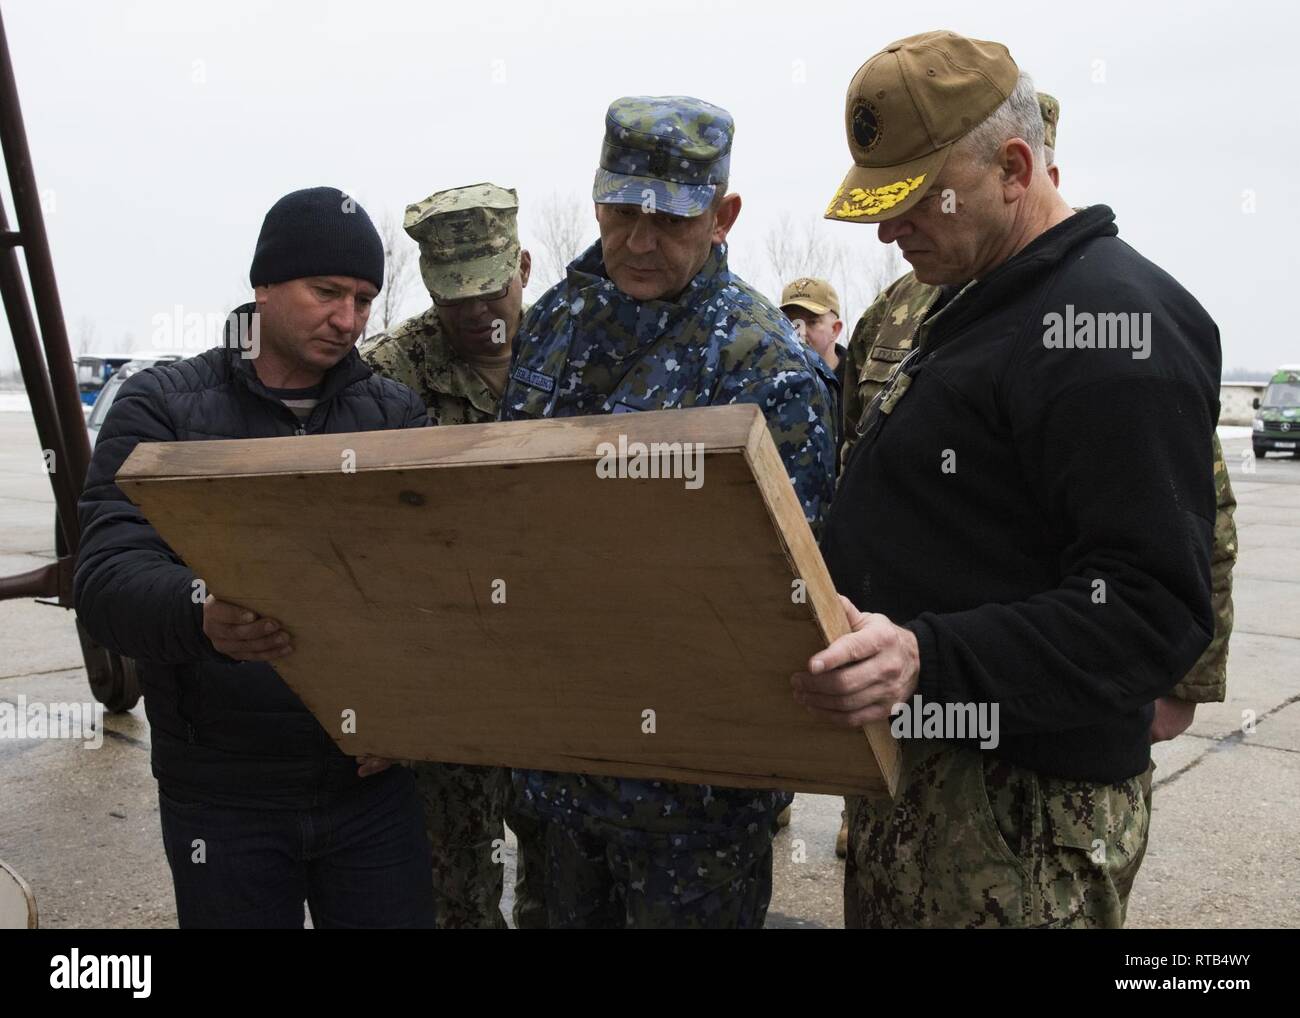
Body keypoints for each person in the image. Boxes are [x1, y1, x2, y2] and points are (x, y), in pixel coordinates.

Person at [799, 31, 1221, 928]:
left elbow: (1151, 608)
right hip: (925, 789)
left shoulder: (1111, 326)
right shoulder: (978, 301)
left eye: (916, 198)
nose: (886, 228)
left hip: (1018, 829)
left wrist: (927, 659)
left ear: (1015, 167)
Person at [501, 95, 837, 928]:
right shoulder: (554, 326)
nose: (640, 241)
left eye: (670, 219)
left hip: (694, 800)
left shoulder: (764, 364)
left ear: (723, 216)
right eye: (621, 213)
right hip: (557, 771)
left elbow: (777, 595)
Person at [74, 187, 435, 929]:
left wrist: (412, 718)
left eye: (365, 299)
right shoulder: (163, 410)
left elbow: (437, 589)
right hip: (223, 796)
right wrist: (199, 614)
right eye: (326, 291)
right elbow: (106, 579)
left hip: (370, 789)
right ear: (263, 285)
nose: (348, 320)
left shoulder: (395, 418)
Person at [360, 182, 546, 929]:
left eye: (488, 288)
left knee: (564, 885)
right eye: (452, 294)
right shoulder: (389, 374)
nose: (474, 311)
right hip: (445, 673)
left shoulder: (574, 353)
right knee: (452, 895)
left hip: (553, 666)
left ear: (523, 267)